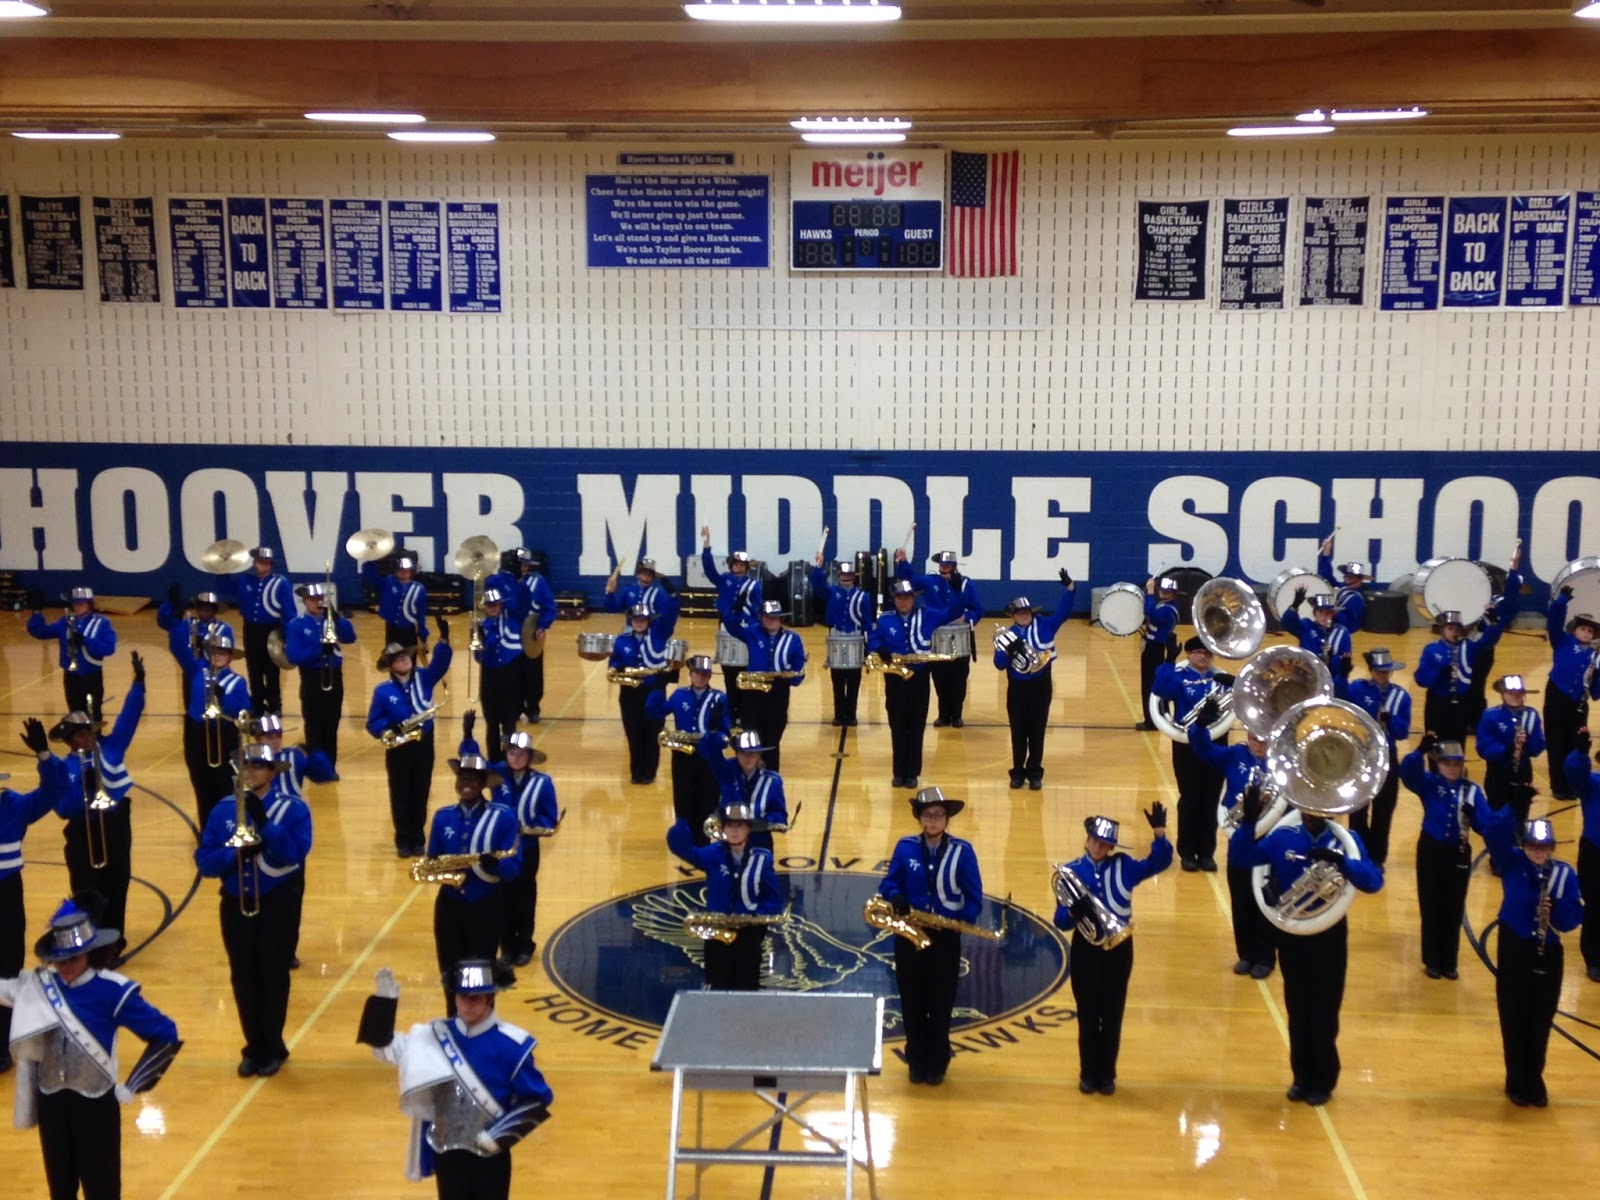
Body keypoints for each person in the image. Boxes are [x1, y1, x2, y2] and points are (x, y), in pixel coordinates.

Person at [0, 899, 181, 1200]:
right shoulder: (39, 986)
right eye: (59, 960)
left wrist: (134, 1085)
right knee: (60, 1188)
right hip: (52, 1103)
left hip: (96, 1106)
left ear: (89, 954)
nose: (63, 967)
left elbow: (166, 1035)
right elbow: (4, 990)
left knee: (103, 1189)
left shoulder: (113, 989)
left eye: (71, 959)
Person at [1230, 791, 1383, 1106]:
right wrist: (1248, 821)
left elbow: (1373, 881)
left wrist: (1342, 863)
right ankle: (1301, 1077)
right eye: (1307, 806)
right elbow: (1240, 857)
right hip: (1293, 934)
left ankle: (1324, 1079)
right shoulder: (1282, 836)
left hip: (1329, 934)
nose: (1312, 812)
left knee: (1324, 1011)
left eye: (1318, 807)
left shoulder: (1346, 840)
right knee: (1297, 1008)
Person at [360, 960, 553, 1199]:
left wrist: (497, 1137)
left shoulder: (513, 1044)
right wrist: (384, 1005)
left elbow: (537, 1100)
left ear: (490, 997)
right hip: (447, 1153)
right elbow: (386, 1050)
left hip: (491, 1156)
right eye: (462, 997)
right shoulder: (435, 1034)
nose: (467, 1004)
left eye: (476, 998)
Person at [195, 742, 311, 1078]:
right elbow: (204, 862)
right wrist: (234, 855)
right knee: (243, 976)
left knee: (272, 974)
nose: (251, 772)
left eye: (258, 766)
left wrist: (267, 827)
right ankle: (253, 1046)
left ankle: (272, 1045)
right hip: (235, 904)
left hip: (276, 903)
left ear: (272, 772)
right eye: (246, 766)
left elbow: (294, 854)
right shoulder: (222, 810)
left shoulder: (292, 809)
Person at [29, 653, 146, 960]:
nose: (84, 738)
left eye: (87, 732)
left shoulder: (111, 747)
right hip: (83, 831)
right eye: (78, 735)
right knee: (85, 886)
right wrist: (82, 785)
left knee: (117, 880)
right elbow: (63, 807)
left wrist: (139, 685)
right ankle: (89, 941)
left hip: (115, 823)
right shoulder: (65, 766)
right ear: (69, 741)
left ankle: (114, 940)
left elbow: (129, 719)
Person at [1054, 807, 1170, 1095]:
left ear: (1112, 847)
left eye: (1105, 844)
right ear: (1087, 839)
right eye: (1096, 841)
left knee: (1113, 1012)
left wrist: (1159, 834)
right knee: (1088, 1013)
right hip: (1085, 950)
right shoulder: (1071, 871)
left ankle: (1107, 1075)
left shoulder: (1125, 866)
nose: (1099, 847)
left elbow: (1160, 862)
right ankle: (1087, 1073)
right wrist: (1073, 913)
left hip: (1119, 949)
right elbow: (1059, 921)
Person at [878, 786, 983, 1086]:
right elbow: (888, 883)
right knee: (912, 998)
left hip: (945, 938)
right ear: (919, 819)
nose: (933, 821)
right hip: (909, 933)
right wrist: (895, 895)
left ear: (947, 819)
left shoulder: (963, 851)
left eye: (939, 815)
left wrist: (961, 920)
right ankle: (916, 1059)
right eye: (928, 815)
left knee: (940, 999)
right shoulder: (905, 846)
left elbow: (974, 897)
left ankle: (938, 1060)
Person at [1480, 811, 1583, 1107]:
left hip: (1548, 951)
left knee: (1541, 1018)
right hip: (1514, 948)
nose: (1538, 852)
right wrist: (1517, 804)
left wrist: (1557, 908)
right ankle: (1516, 1080)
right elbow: (1493, 833)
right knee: (1514, 1015)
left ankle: (1534, 1079)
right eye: (1533, 846)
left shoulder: (1564, 874)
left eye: (1544, 847)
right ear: (1524, 845)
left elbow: (1571, 920)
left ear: (1551, 847)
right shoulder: (1512, 862)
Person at [426, 748, 520, 1015]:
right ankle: (453, 1023)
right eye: (461, 778)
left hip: (486, 906)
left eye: (471, 779)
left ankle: (482, 1025)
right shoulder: (442, 816)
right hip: (450, 906)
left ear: (482, 785)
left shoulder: (502, 817)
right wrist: (439, 871)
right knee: (450, 972)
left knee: (482, 974)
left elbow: (514, 868)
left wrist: (496, 864)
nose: (464, 784)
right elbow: (431, 860)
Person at [1187, 718, 1275, 977]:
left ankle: (1266, 957)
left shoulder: (1281, 764)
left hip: (1268, 840)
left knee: (1266, 899)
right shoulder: (1235, 754)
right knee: (1241, 898)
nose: (1258, 744)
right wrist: (1200, 727)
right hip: (1238, 838)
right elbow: (1203, 749)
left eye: (1263, 740)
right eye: (1254, 738)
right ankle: (1246, 954)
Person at [667, 800, 785, 991]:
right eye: (730, 825)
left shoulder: (762, 858)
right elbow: (683, 849)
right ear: (723, 828)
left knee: (747, 986)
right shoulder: (713, 854)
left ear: (748, 828)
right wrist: (682, 820)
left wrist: (756, 915)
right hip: (716, 933)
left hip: (749, 934)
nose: (734, 830)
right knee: (717, 985)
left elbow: (773, 899)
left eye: (739, 825)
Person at [868, 575, 965, 790]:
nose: (904, 601)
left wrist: (956, 592)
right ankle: (898, 772)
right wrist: (879, 648)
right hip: (894, 677)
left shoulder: (927, 615)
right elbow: (873, 640)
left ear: (914, 598)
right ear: (894, 599)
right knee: (897, 725)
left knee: (917, 725)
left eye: (907, 597)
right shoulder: (885, 619)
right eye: (900, 597)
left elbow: (953, 613)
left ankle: (912, 773)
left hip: (919, 677)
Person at [366, 619, 454, 856]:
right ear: (391, 665)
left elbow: (441, 664)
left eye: (405, 656)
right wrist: (389, 726)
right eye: (398, 658)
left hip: (423, 744)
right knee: (400, 793)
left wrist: (443, 641)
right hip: (399, 747)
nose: (404, 659)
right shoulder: (382, 691)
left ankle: (417, 837)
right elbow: (372, 723)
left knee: (421, 790)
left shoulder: (424, 677)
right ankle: (402, 838)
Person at [1399, 737, 1484, 980]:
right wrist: (1419, 751)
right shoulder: (1429, 783)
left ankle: (1449, 961)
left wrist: (1475, 816)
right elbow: (1407, 774)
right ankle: (1432, 960)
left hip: (1458, 851)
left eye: (1456, 764)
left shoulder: (1471, 791)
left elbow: (1485, 823)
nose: (1452, 769)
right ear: (1438, 765)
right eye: (1447, 764)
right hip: (1431, 850)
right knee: (1431, 904)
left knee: (1454, 906)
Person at [1152, 637, 1234, 872]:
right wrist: (1168, 661)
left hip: (1217, 743)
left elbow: (1246, 699)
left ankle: (1207, 852)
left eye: (1207, 653)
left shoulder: (1220, 679)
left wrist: (1236, 683)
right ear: (1188, 654)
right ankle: (1187, 851)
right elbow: (1160, 689)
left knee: (1211, 799)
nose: (1203, 657)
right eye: (1198, 652)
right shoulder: (1178, 677)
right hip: (1187, 744)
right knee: (1190, 798)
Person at [992, 572, 1075, 790]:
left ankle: (1035, 772)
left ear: (1031, 612)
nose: (1024, 616)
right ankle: (1017, 772)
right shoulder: (1006, 635)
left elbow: (1064, 613)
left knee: (1037, 732)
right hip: (1017, 688)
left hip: (1041, 685)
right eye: (1019, 613)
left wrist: (1070, 589)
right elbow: (999, 664)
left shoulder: (1046, 625)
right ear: (1013, 616)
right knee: (1018, 732)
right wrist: (1008, 651)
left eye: (1026, 612)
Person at [0, 782, 59, 1072]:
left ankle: (2, 1043)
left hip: (7, 892)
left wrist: (45, 759)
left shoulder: (13, 805)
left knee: (8, 969)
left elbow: (53, 791)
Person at [169, 621, 251, 824]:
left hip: (224, 737)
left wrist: (223, 699)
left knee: (224, 788)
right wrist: (175, 617)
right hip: (197, 735)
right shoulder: (198, 670)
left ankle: (226, 829)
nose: (218, 656)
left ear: (230, 656)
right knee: (201, 786)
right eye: (215, 651)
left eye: (223, 652)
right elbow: (178, 647)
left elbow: (243, 709)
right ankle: (206, 834)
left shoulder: (237, 681)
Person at [645, 656, 731, 846]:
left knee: (707, 798)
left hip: (709, 758)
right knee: (683, 798)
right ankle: (685, 839)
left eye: (704, 674)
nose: (700, 677)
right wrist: (658, 688)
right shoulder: (679, 695)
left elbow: (725, 738)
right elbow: (654, 711)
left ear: (709, 676)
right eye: (697, 673)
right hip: (683, 757)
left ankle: (703, 838)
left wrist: (715, 730)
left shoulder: (720, 698)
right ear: (690, 674)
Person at [900, 550, 982, 728]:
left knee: (959, 677)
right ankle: (943, 714)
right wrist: (904, 562)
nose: (944, 568)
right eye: (942, 565)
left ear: (954, 567)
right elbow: (910, 579)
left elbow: (978, 609)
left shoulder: (966, 583)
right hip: (937, 636)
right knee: (939, 676)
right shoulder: (931, 581)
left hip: (959, 636)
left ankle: (957, 714)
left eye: (947, 565)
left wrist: (966, 617)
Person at [722, 598, 807, 771]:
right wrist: (736, 610)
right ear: (761, 618)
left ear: (781, 618)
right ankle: (750, 775)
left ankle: (771, 775)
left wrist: (789, 677)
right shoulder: (752, 632)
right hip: (753, 693)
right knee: (752, 735)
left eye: (775, 617)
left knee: (773, 738)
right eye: (768, 617)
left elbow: (799, 670)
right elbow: (732, 627)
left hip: (777, 693)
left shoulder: (793, 638)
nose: (772, 620)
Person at [1346, 647, 1412, 867]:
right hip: (1361, 754)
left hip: (1387, 755)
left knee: (1384, 809)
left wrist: (1391, 720)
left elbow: (1403, 732)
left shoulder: (1401, 696)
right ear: (1371, 670)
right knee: (1357, 808)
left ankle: (1377, 858)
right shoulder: (1356, 689)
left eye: (1386, 671)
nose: (1383, 675)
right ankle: (1357, 852)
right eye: (1378, 671)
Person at [283, 582, 356, 774]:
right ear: (305, 601)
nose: (316, 603)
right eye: (312, 599)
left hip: (334, 676)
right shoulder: (296, 625)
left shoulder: (330, 621)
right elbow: (293, 656)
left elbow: (350, 637)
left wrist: (337, 618)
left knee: (332, 724)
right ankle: (316, 768)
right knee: (314, 724)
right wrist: (319, 650)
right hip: (312, 678)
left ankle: (330, 767)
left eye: (319, 599)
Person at [1413, 604, 1505, 747]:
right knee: (1434, 743)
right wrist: (1437, 671)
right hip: (1438, 703)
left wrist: (1493, 622)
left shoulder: (1467, 647)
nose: (1454, 633)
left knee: (1458, 744)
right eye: (1450, 628)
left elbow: (1488, 642)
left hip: (1461, 704)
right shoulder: (1432, 649)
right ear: (1442, 629)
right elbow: (1421, 680)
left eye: (1457, 629)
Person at [27, 587, 117, 725]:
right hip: (70, 675)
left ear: (90, 604)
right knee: (75, 713)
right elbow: (41, 632)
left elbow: (108, 648)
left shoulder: (102, 623)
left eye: (81, 603)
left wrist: (84, 640)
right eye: (75, 603)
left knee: (93, 713)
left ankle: (95, 742)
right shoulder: (66, 621)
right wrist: (37, 612)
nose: (78, 606)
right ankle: (78, 742)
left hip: (91, 676)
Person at [1542, 589, 1600, 801]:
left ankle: (1574, 783)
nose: (1586, 633)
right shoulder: (1563, 642)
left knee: (1576, 744)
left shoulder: (1596, 656)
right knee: (1556, 742)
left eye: (1590, 631)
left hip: (1579, 703)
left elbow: (1595, 690)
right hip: (1556, 697)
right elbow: (1553, 622)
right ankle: (1559, 786)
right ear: (1575, 631)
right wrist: (1562, 601)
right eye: (1583, 629)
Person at [697, 728, 790, 854]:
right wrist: (721, 735)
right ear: (737, 754)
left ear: (758, 755)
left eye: (752, 753)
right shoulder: (727, 770)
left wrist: (764, 822)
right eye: (743, 753)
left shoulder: (772, 781)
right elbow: (706, 749)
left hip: (759, 845)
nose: (748, 758)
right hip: (729, 843)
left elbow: (781, 816)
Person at [702, 527, 762, 717]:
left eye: (742, 564)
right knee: (728, 673)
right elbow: (709, 570)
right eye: (735, 564)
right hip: (727, 629)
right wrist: (706, 546)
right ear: (731, 565)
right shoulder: (724, 580)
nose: (738, 567)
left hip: (746, 631)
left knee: (744, 671)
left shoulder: (754, 585)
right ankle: (732, 711)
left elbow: (759, 609)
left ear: (746, 567)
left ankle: (744, 712)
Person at [608, 603, 671, 785]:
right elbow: (613, 663)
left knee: (652, 734)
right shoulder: (622, 640)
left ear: (649, 621)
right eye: (636, 619)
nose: (639, 623)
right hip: (630, 693)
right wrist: (616, 669)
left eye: (643, 620)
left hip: (654, 692)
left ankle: (649, 773)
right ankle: (636, 773)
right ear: (631, 620)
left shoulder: (658, 638)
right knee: (633, 734)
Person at [1477, 674, 1546, 826]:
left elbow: (1538, 746)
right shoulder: (1491, 716)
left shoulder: (1531, 715)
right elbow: (1483, 747)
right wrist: (1508, 748)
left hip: (1522, 771)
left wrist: (1527, 742)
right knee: (1497, 814)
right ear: (1502, 694)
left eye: (1519, 693)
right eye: (1510, 693)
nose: (1515, 697)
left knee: (1521, 816)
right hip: (1499, 772)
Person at [811, 555, 871, 727]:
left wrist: (869, 646)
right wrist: (818, 567)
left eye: (849, 574)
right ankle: (838, 714)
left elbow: (867, 622)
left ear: (854, 576)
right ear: (838, 575)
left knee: (853, 680)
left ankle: (851, 714)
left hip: (855, 639)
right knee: (837, 680)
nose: (846, 577)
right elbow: (818, 585)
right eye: (843, 574)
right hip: (836, 638)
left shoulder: (862, 597)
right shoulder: (832, 592)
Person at [231, 546, 290, 714]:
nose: (263, 565)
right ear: (254, 563)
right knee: (254, 667)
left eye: (267, 563)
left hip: (272, 631)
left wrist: (286, 636)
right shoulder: (244, 580)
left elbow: (288, 611)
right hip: (251, 630)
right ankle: (257, 703)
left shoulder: (280, 583)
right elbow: (225, 589)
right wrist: (221, 570)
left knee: (272, 669)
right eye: (260, 562)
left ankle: (274, 705)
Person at [473, 585, 526, 764]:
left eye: (495, 604)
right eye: (489, 605)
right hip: (489, 675)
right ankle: (494, 761)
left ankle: (510, 760)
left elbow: (519, 596)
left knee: (509, 722)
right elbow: (478, 656)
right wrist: (479, 646)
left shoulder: (512, 618)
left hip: (509, 673)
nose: (492, 608)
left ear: (501, 605)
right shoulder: (480, 625)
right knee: (492, 723)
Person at [1562, 730, 1600, 982]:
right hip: (1595, 852)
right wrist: (1580, 752)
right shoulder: (1593, 784)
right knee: (1596, 906)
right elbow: (1573, 774)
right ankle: (1595, 958)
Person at [156, 587, 228, 709]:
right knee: (190, 708)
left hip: (216, 674)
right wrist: (171, 604)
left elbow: (226, 650)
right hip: (192, 673)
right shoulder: (188, 624)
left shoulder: (224, 628)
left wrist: (205, 644)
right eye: (201, 609)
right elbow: (165, 623)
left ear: (215, 611)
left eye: (208, 609)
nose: (204, 612)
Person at [510, 548, 558, 723]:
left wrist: (542, 626)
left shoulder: (539, 582)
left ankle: (532, 708)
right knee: (512, 672)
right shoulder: (507, 581)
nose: (522, 567)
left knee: (533, 673)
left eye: (525, 564)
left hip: (532, 633)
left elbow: (550, 608)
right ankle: (514, 708)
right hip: (512, 633)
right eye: (519, 564)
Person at [1279, 590, 1353, 698]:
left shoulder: (1342, 633)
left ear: (1333, 614)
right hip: (1306, 676)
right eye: (1320, 612)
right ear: (1315, 612)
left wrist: (1332, 658)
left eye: (1327, 613)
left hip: (1331, 679)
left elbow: (1342, 667)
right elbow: (1287, 623)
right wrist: (1294, 606)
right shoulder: (1306, 626)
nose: (1324, 616)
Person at [1134, 575, 1179, 732]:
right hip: (1151, 648)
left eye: (1167, 591)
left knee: (1150, 685)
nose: (1164, 593)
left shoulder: (1168, 610)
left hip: (1156, 649)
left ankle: (1152, 721)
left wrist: (1150, 591)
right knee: (1149, 684)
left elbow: (1150, 612)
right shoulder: (1164, 605)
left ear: (1174, 593)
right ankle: (1155, 717)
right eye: (1162, 590)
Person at [365, 550, 431, 652]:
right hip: (392, 629)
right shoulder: (388, 582)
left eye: (406, 570)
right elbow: (371, 578)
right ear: (396, 571)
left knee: (409, 659)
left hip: (410, 630)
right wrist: (371, 560)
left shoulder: (419, 588)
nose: (403, 572)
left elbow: (421, 615)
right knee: (392, 656)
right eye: (400, 570)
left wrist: (423, 637)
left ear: (411, 571)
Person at [604, 556, 680, 637]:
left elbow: (666, 614)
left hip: (650, 632)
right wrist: (610, 593)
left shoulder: (658, 593)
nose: (646, 577)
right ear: (638, 575)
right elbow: (612, 608)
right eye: (644, 574)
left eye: (649, 575)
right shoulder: (628, 590)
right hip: (630, 631)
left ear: (653, 578)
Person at [1315, 534, 1369, 634]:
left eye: (1351, 577)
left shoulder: (1356, 599)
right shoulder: (1343, 588)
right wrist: (1326, 553)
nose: (1347, 580)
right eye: (1346, 576)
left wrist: (1335, 612)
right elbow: (1327, 576)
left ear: (1360, 579)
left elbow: (1353, 625)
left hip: (1341, 632)